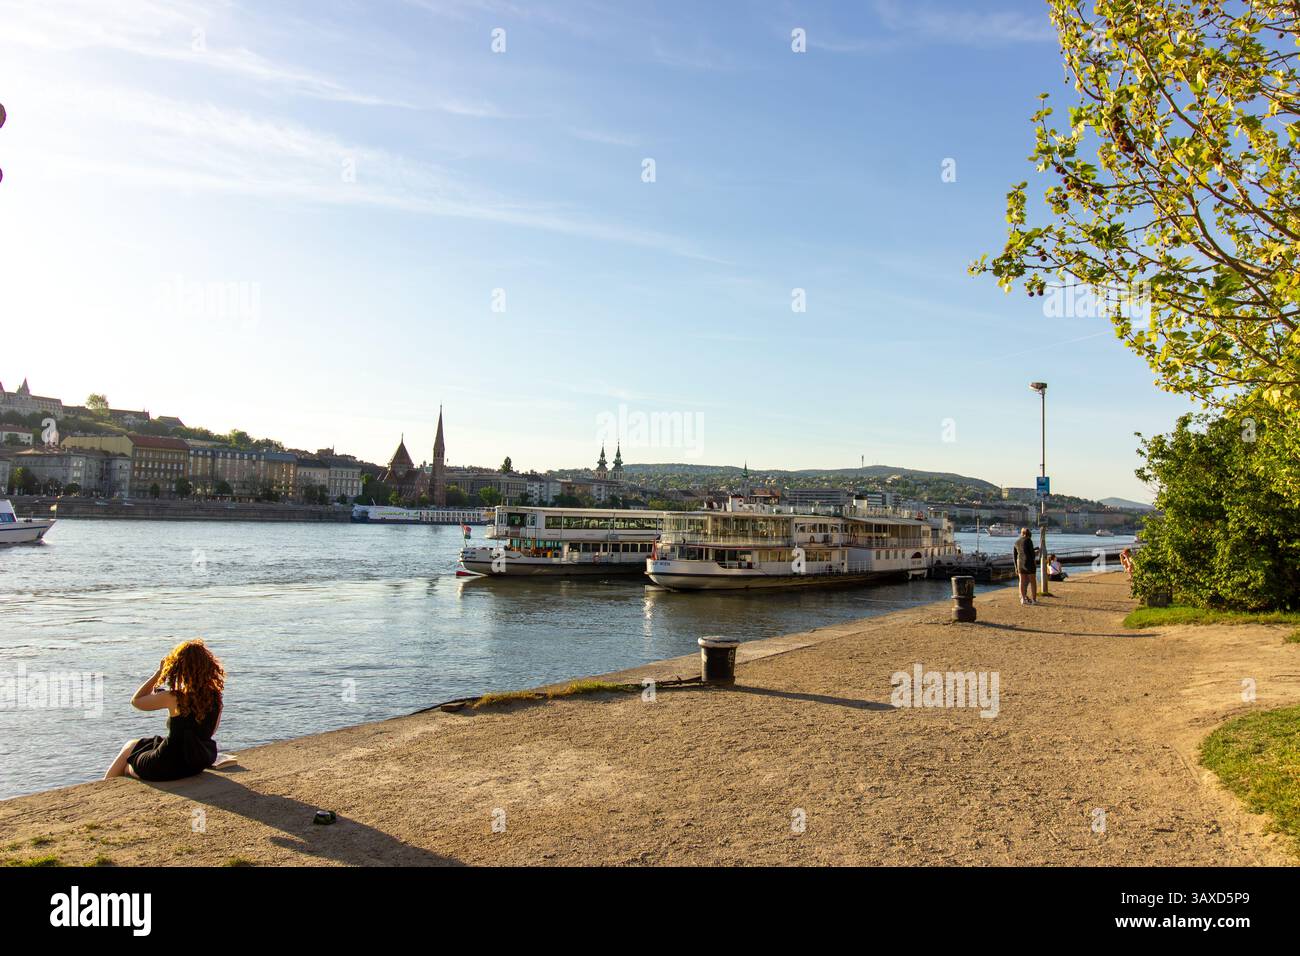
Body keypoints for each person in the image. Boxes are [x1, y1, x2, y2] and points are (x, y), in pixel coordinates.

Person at [105, 639, 225, 782]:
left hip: (166, 765)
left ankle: (101, 787)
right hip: (195, 763)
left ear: (177, 668)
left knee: (128, 755)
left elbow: (136, 701)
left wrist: (158, 674)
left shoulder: (174, 697)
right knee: (142, 744)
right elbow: (209, 732)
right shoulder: (215, 697)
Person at [1013, 527, 1037, 605]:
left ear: (1022, 533)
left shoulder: (1016, 542)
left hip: (1020, 564)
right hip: (1029, 564)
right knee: (1033, 582)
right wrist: (1037, 552)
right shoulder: (1029, 540)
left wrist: (1016, 567)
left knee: (1021, 582)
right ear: (1029, 535)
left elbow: (1014, 556)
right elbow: (1032, 555)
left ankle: (1023, 599)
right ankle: (1034, 600)